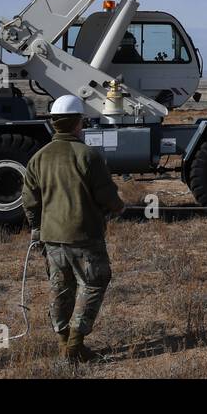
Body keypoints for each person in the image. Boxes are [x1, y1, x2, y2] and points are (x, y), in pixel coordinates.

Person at [22, 94, 125, 363]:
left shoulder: (38, 158)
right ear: (79, 123)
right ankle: (75, 345)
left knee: (60, 288)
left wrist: (37, 230)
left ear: (54, 123)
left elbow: (29, 202)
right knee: (94, 282)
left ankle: (63, 340)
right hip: (84, 236)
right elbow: (107, 197)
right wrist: (118, 207)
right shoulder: (88, 156)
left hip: (51, 238)